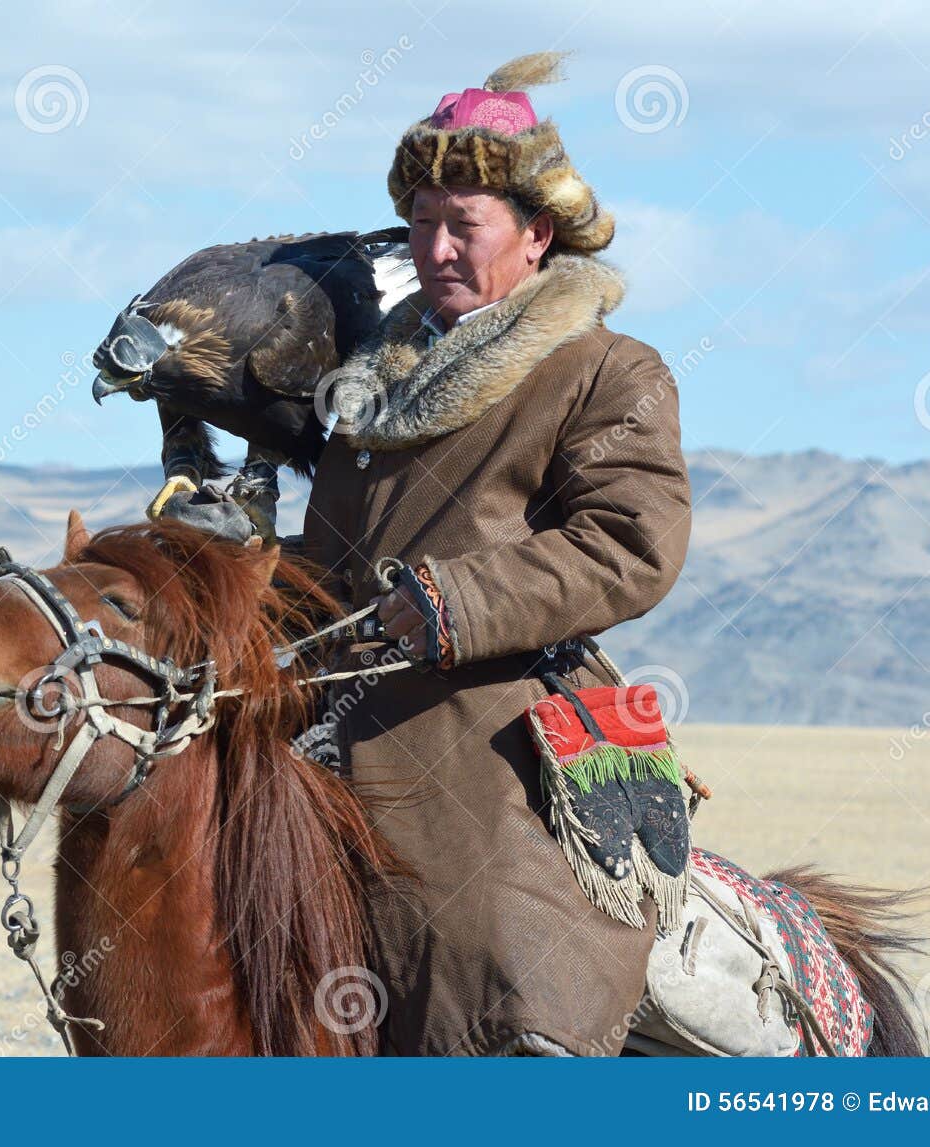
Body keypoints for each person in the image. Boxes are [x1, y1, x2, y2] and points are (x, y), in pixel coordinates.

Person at [164, 52, 693, 1056]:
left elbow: (631, 545)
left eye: (465, 225)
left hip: (504, 715)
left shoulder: (604, 370)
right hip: (330, 714)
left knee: (482, 959)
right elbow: (327, 574)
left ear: (536, 234)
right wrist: (233, 565)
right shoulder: (367, 385)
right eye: (420, 222)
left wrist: (459, 601)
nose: (436, 246)